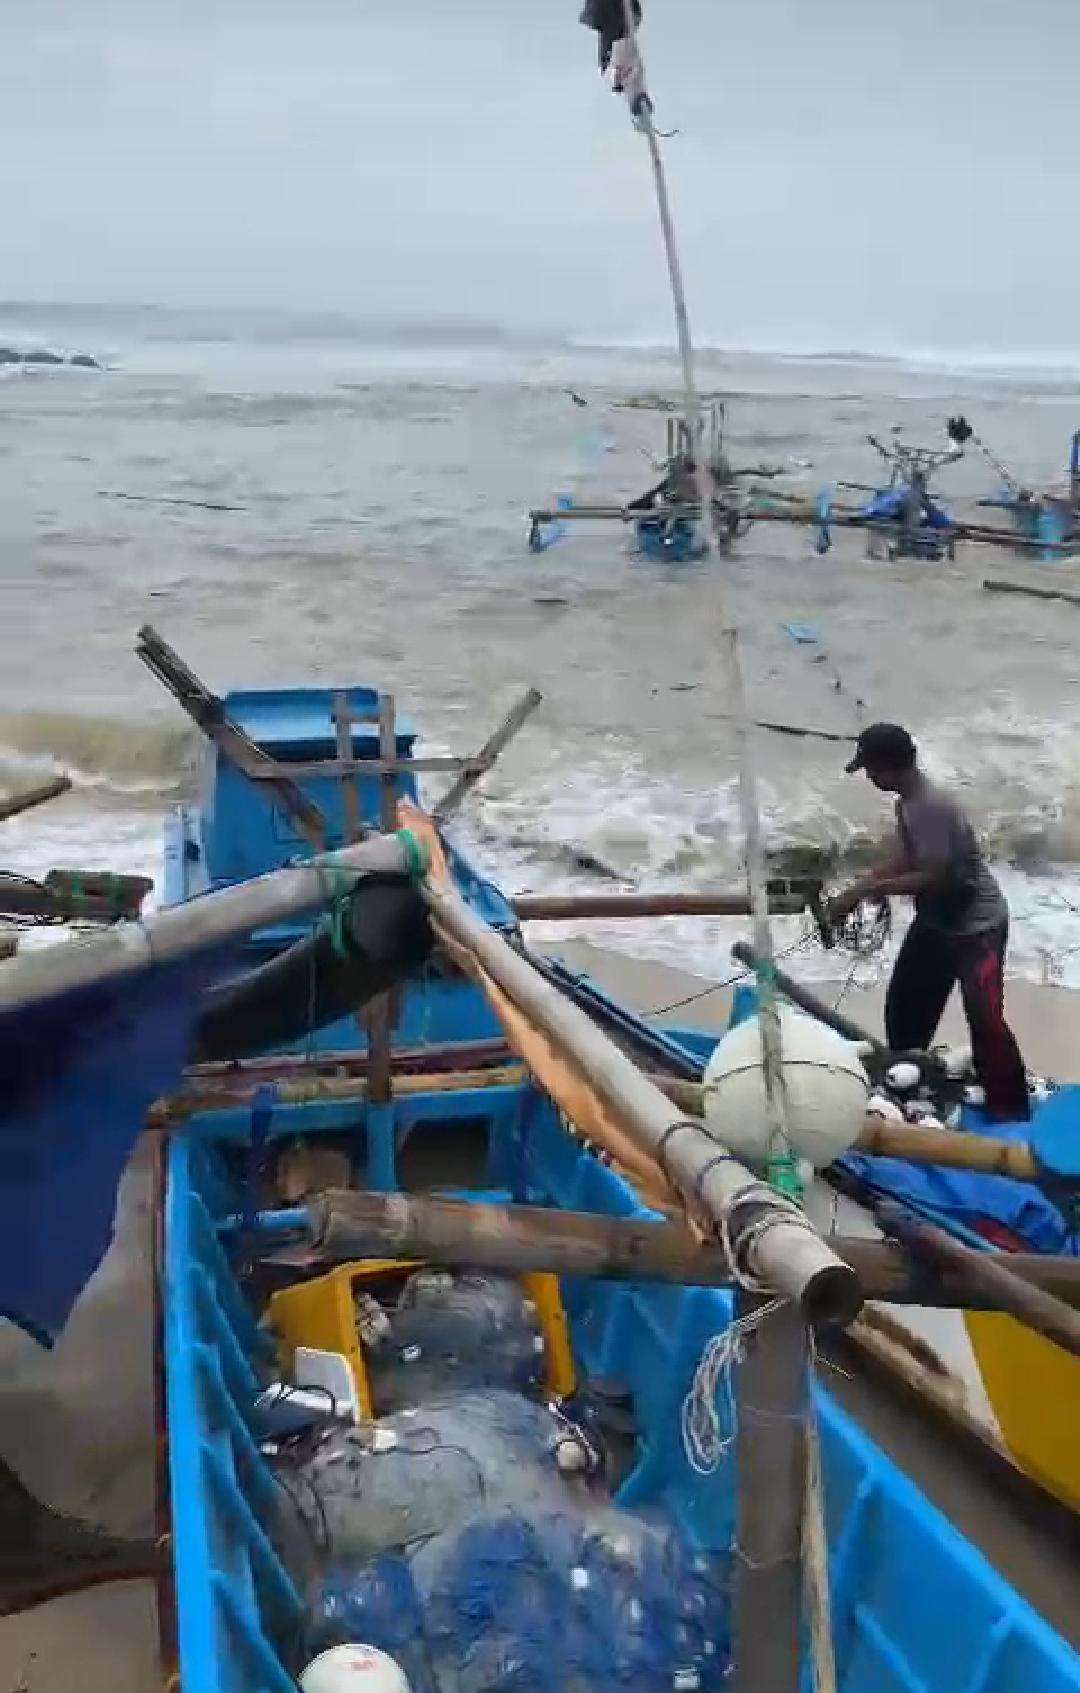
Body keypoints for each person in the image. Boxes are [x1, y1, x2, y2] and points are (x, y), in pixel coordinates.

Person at [828, 722, 1029, 1121]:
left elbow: (935, 876)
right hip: (938, 922)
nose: (868, 777)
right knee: (905, 1009)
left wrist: (871, 892)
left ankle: (1011, 1112)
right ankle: (908, 1082)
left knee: (985, 1019)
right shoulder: (908, 803)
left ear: (890, 767)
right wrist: (862, 884)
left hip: (977, 927)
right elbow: (909, 858)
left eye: (870, 768)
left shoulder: (931, 806)